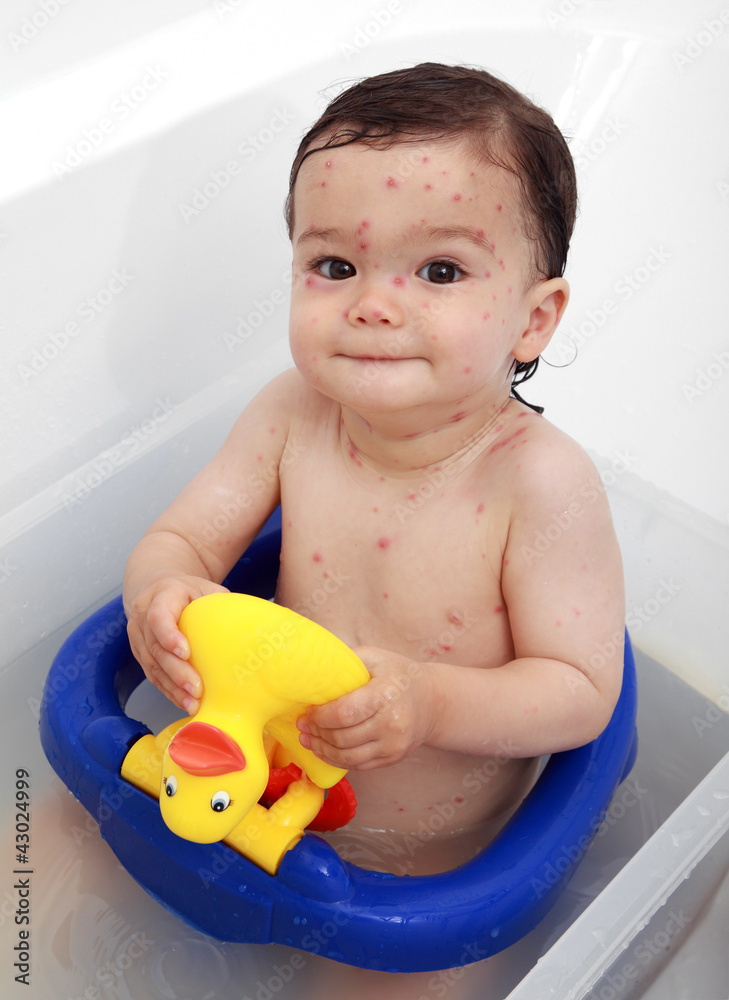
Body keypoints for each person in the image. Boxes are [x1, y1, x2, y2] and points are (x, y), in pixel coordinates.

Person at [124, 61, 624, 992]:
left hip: (418, 866)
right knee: (42, 860)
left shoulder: (539, 484)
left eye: (439, 269)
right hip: (240, 785)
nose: (372, 302)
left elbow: (581, 691)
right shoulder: (289, 413)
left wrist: (430, 703)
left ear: (534, 318)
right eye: (333, 265)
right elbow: (182, 544)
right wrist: (158, 598)